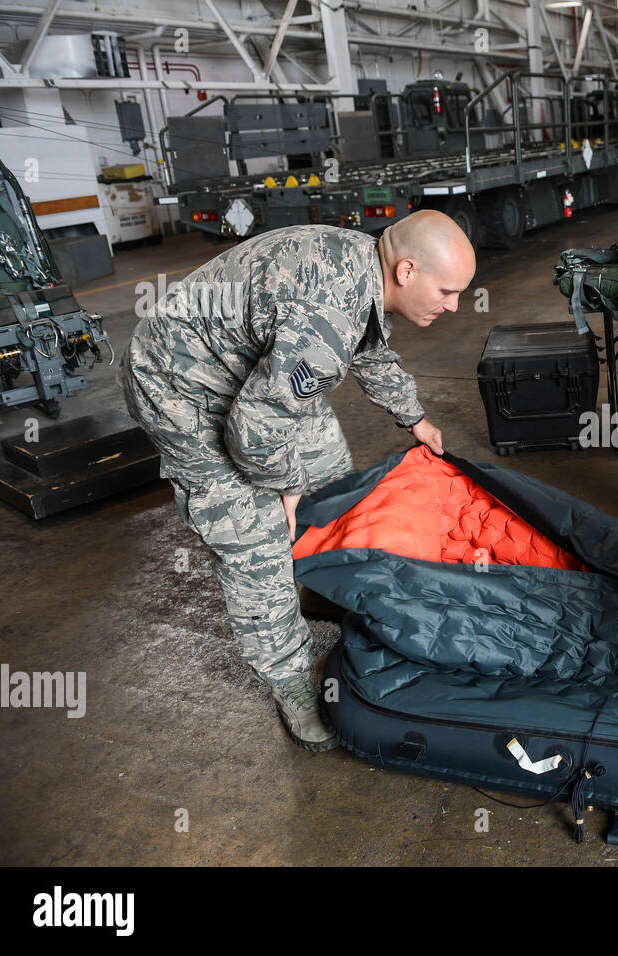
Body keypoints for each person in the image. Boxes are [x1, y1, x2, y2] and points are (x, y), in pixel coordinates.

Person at [120, 211, 476, 751]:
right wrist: (285, 486)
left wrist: (413, 416)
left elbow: (369, 345)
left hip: (249, 369)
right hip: (178, 385)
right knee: (252, 537)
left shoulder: (364, 265)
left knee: (329, 470)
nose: (453, 306)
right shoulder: (326, 321)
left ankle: (316, 579)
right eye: (448, 291)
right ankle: (289, 680)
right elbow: (255, 431)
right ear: (406, 270)